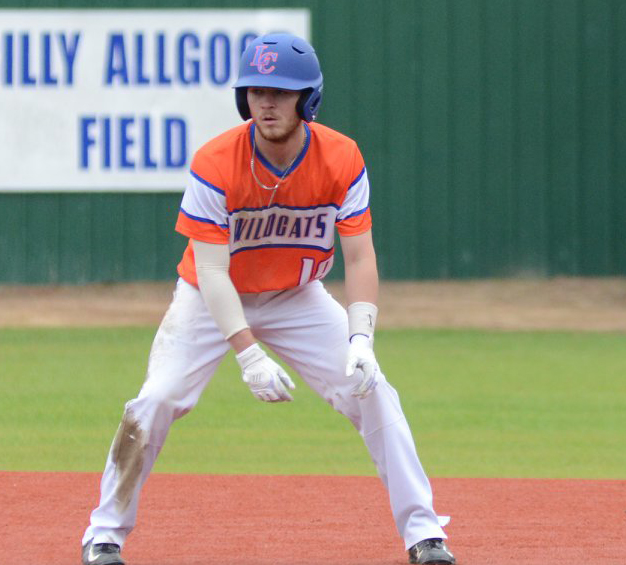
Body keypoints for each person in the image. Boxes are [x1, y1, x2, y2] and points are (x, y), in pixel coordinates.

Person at [80, 32, 456, 565]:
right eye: (256, 90)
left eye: (282, 91)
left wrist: (361, 338)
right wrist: (247, 351)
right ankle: (104, 536)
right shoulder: (215, 161)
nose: (267, 101)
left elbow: (362, 258)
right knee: (157, 398)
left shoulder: (341, 158)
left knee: (373, 391)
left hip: (298, 296)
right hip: (211, 297)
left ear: (309, 99)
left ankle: (425, 534)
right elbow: (211, 272)